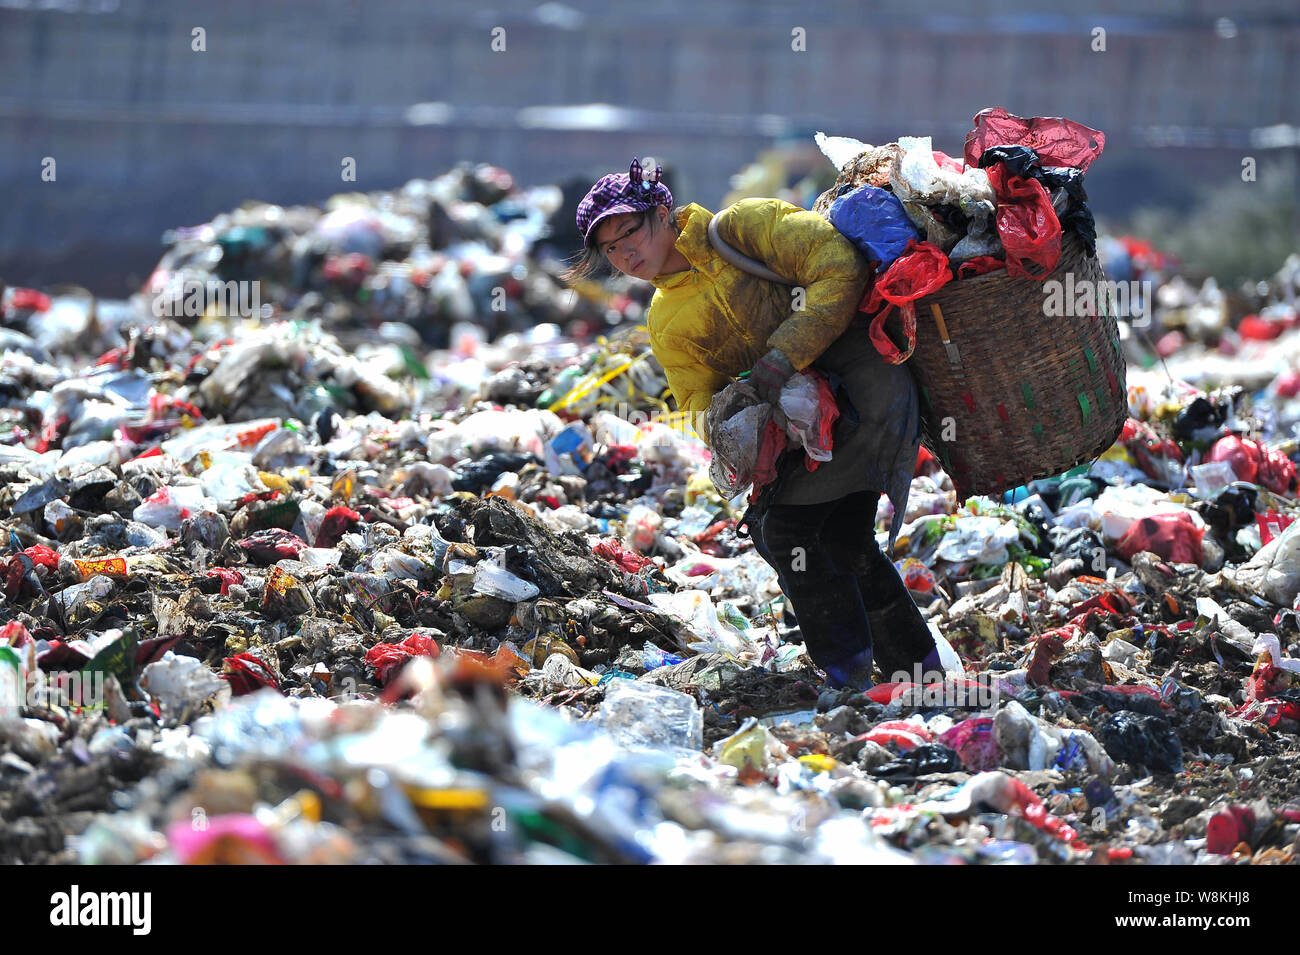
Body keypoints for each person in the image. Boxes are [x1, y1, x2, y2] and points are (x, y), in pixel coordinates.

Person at [566, 158, 943, 690]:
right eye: (609, 247)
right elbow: (696, 400)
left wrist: (784, 355)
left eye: (629, 230)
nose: (624, 252)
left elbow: (839, 265)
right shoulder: (665, 318)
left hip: (867, 392)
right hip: (798, 435)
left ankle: (849, 675)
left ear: (663, 210)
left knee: (787, 530)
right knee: (843, 538)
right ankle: (915, 674)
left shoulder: (744, 229)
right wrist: (740, 433)